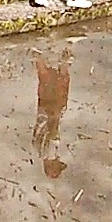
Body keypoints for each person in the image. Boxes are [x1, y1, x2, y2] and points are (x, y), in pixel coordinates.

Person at [33, 48, 72, 178]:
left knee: (62, 82)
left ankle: (66, 54)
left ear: (51, 165)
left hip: (52, 112)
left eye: (57, 163)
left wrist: (57, 114)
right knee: (44, 81)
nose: (58, 159)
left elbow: (53, 132)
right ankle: (37, 55)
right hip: (43, 111)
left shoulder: (50, 152)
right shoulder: (38, 150)